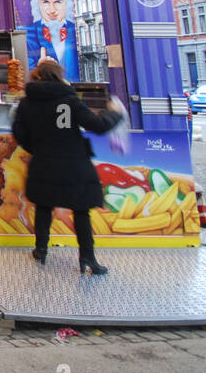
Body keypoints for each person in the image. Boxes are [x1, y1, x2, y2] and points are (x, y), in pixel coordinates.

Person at [11, 57, 124, 275]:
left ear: (36, 76)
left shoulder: (26, 102)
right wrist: (114, 113)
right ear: (59, 76)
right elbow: (98, 126)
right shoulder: (68, 101)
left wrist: (37, 148)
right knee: (81, 210)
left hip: (43, 161)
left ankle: (41, 250)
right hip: (74, 162)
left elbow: (19, 133)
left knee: (44, 206)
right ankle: (88, 259)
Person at [22, 0, 79, 80]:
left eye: (58, 2)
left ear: (66, 4)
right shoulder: (27, 35)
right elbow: (25, 75)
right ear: (37, 4)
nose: (52, 10)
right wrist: (40, 69)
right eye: (45, 2)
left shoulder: (76, 29)